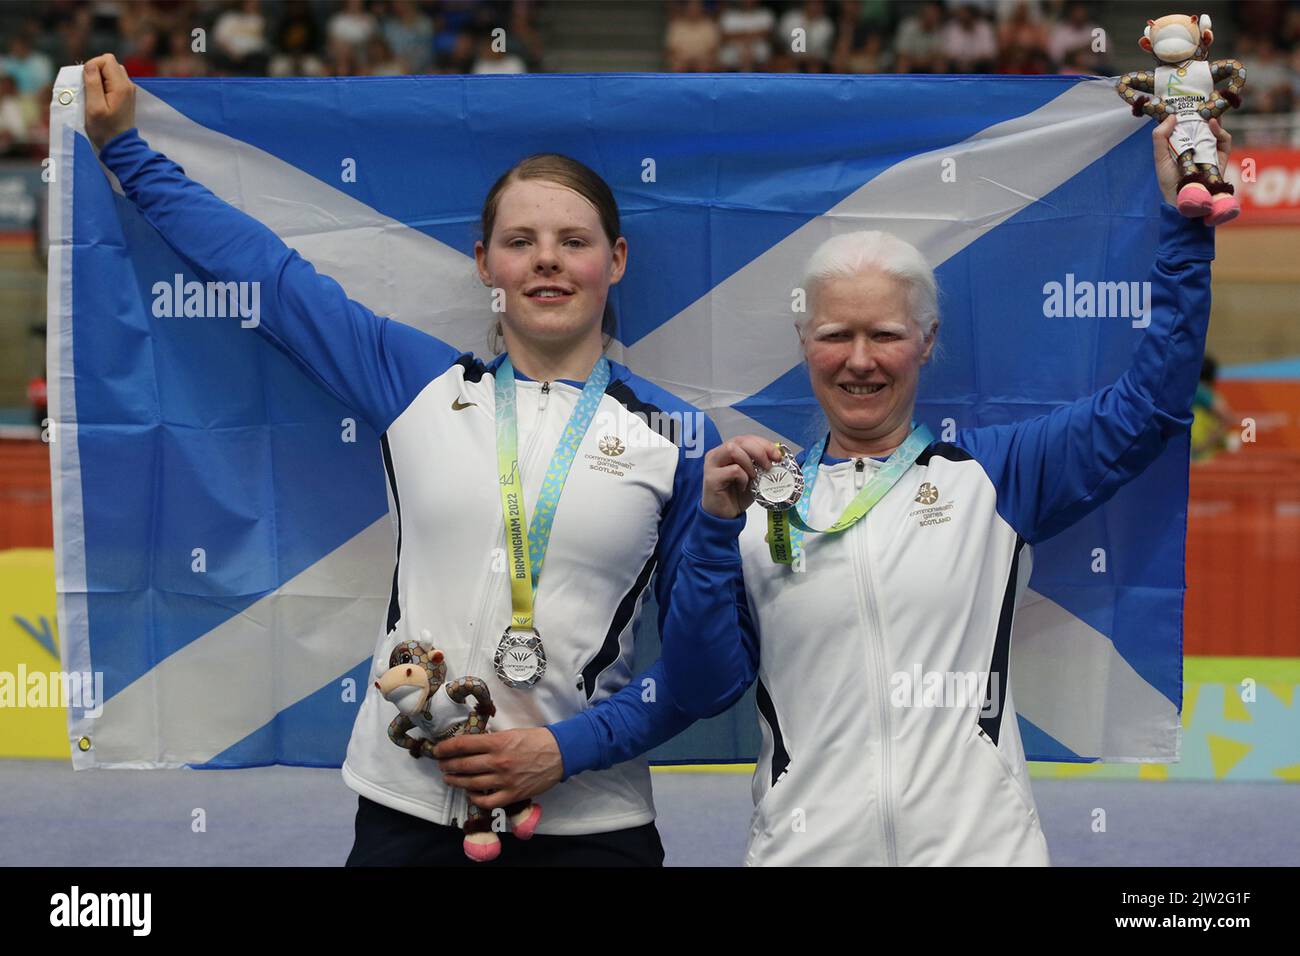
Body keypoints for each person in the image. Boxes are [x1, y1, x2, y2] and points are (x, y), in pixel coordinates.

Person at [82, 53, 719, 867]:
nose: (547, 259)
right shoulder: (416, 384)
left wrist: (569, 748)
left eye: (573, 241)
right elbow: (268, 279)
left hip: (590, 826)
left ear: (616, 260)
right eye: (519, 242)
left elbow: (708, 668)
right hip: (405, 813)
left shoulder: (676, 437)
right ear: (484, 264)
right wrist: (126, 151)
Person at [658, 114, 1224, 865]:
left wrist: (1185, 231)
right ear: (804, 344)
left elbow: (1150, 409)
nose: (860, 359)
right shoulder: (756, 506)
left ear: (925, 342)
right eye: (836, 335)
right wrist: (710, 533)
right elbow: (701, 688)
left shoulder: (996, 476)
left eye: (886, 334)